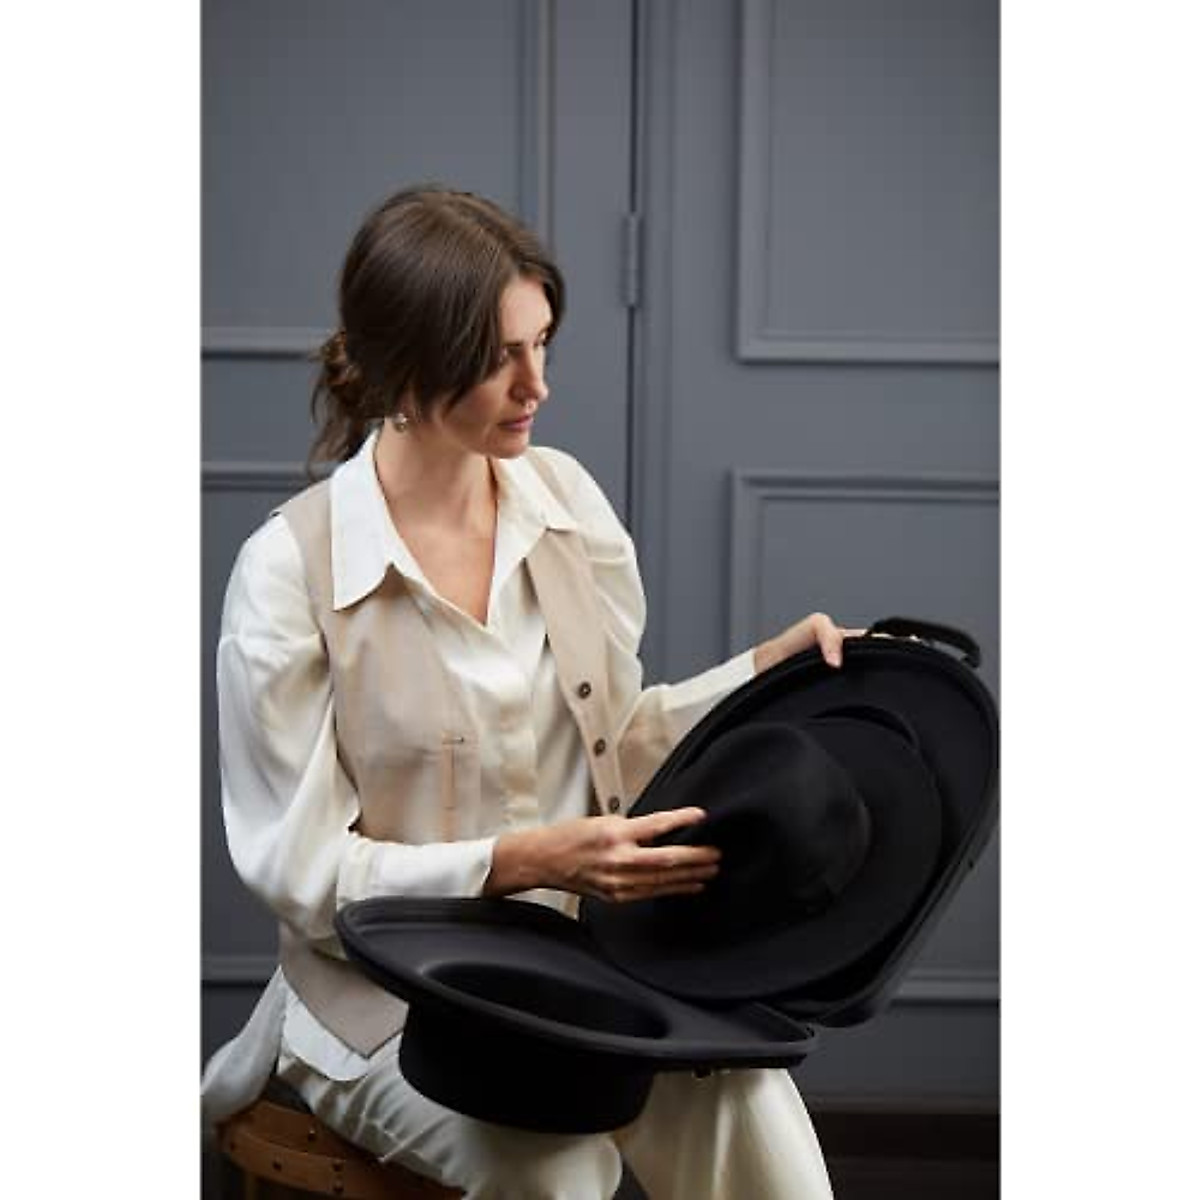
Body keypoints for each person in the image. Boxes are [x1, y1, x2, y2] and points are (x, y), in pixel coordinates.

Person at [201, 185, 851, 1199]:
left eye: (542, 343)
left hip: (573, 967)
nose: (536, 384)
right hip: (381, 1001)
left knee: (750, 1109)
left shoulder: (563, 502)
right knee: (554, 1166)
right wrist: (525, 860)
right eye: (499, 356)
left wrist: (765, 671)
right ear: (408, 363)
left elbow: (614, 740)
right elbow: (305, 877)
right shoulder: (289, 573)